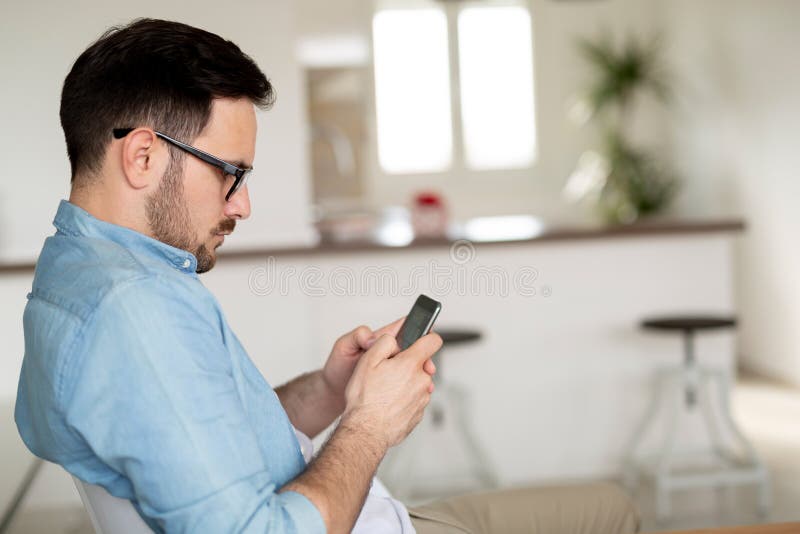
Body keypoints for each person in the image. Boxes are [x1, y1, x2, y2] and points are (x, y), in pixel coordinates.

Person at [14, 18, 639, 533]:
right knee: (613, 511)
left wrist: (331, 389)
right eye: (228, 172)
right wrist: (370, 424)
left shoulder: (73, 274)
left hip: (377, 514)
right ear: (143, 155)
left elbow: (197, 435)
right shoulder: (136, 309)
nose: (241, 204)